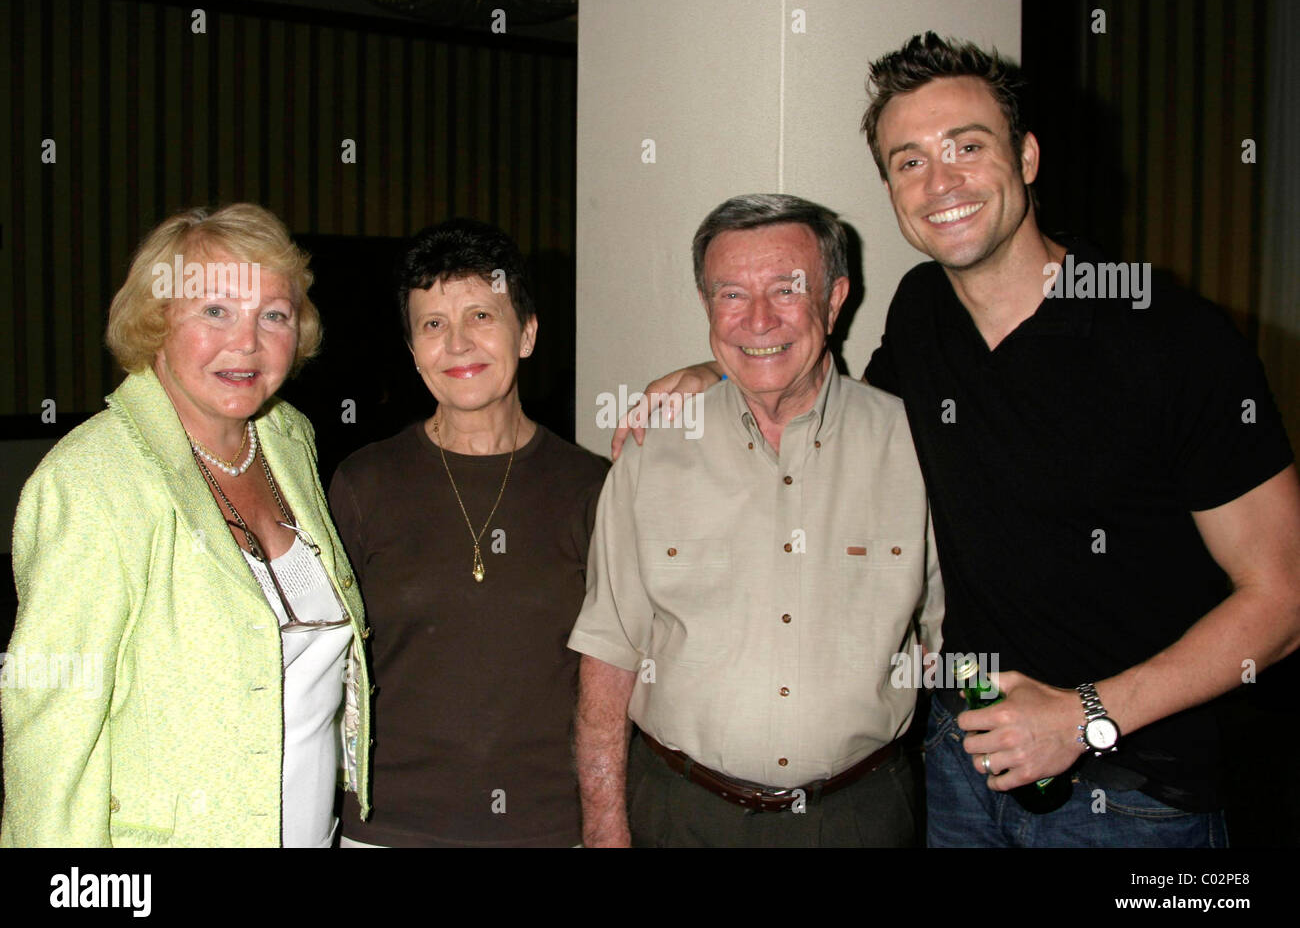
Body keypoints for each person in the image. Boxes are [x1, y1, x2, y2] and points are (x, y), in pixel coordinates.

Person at [612, 33, 1300, 847]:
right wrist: (721, 370)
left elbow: (1283, 598)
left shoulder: (1171, 338)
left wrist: (1084, 716)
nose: (940, 182)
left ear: (1027, 157)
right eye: (910, 161)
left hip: (1129, 792)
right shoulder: (921, 312)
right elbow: (843, 413)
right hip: (955, 764)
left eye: (967, 147)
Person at [571, 194, 943, 848]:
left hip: (860, 816)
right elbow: (609, 653)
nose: (759, 319)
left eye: (786, 289)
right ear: (706, 305)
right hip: (680, 814)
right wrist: (604, 827)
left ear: (834, 299)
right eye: (732, 294)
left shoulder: (915, 448)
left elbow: (953, 634)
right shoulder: (652, 450)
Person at [0, 203, 372, 847]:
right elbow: (52, 737)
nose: (247, 342)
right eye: (215, 310)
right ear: (156, 319)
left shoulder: (287, 439)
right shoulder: (92, 481)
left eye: (274, 315)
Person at [329, 218, 609, 848]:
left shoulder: (591, 489)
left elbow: (619, 676)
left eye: (481, 316)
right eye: (433, 324)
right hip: (388, 829)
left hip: (546, 828)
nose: (457, 344)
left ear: (527, 332)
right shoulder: (363, 483)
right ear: (413, 351)